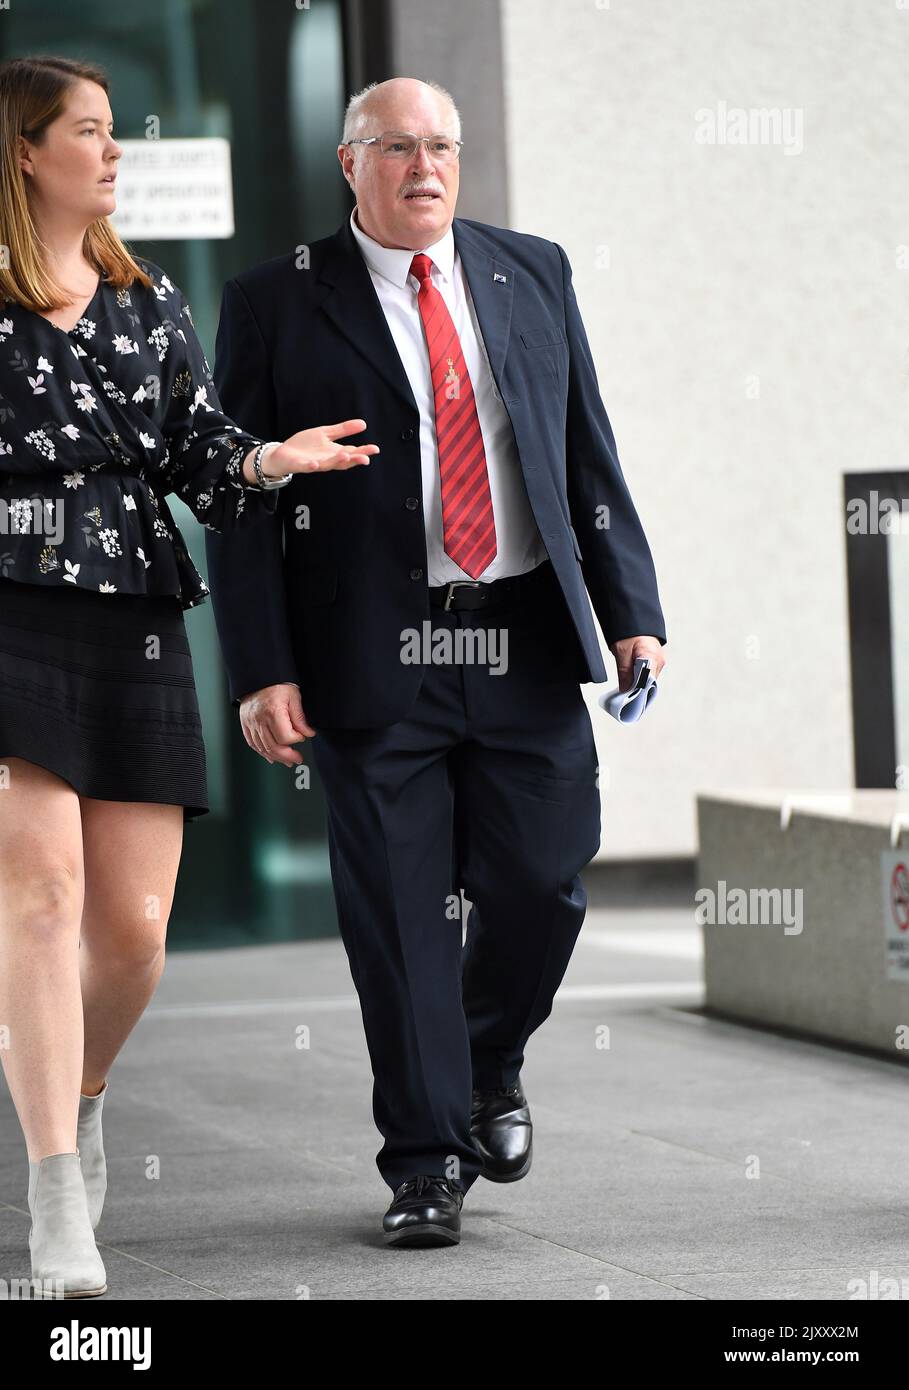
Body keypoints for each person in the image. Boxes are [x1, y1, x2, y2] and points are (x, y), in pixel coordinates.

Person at [205, 76, 667, 1247]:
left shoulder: (530, 270)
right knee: (401, 916)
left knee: (545, 876)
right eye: (399, 148)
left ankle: (486, 1060)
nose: (426, 168)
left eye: (443, 148)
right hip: (372, 652)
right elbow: (242, 504)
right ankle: (423, 1163)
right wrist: (262, 666)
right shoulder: (277, 301)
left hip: (518, 630)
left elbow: (584, 452)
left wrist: (631, 609)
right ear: (349, 163)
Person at [0, 54, 378, 1298]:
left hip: (136, 616)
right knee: (41, 900)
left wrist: (272, 459)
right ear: (25, 152)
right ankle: (57, 1193)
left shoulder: (145, 295)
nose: (114, 153)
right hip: (8, 609)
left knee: (135, 933)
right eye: (92, 133)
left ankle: (81, 1092)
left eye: (115, 133)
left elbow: (200, 458)